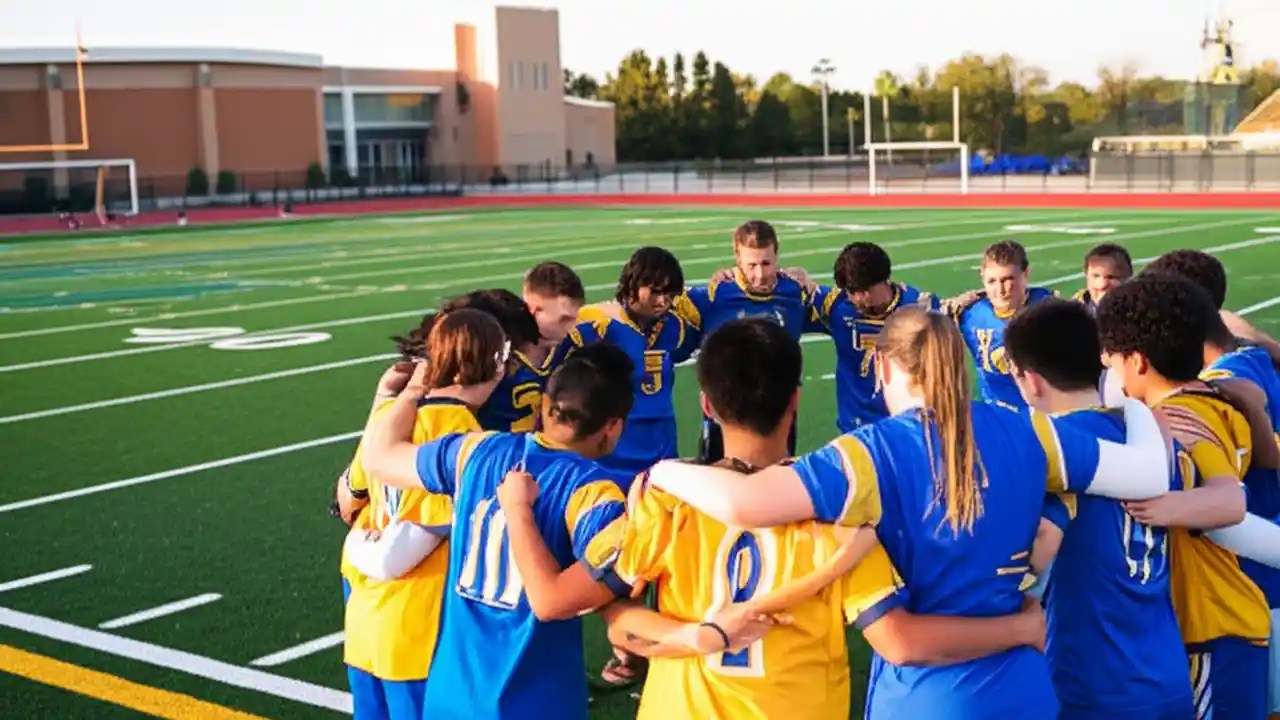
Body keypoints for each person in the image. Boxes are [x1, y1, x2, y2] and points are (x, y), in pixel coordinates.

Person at [639, 306, 1173, 720]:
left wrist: (661, 472)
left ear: (886, 366)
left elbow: (744, 504)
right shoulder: (1029, 430)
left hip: (925, 698)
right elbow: (1150, 474)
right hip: (1022, 691)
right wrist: (1136, 404)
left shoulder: (870, 452)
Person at [500, 318, 1049, 719]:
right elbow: (899, 639)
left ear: (708, 406)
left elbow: (614, 618)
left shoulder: (661, 501)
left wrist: (693, 636)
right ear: (794, 401)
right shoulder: (841, 519)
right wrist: (1024, 626)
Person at [359, 343, 637, 720]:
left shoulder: (478, 450)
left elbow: (380, 458)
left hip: (451, 693)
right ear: (613, 427)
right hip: (534, 700)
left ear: (544, 406)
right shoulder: (594, 495)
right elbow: (553, 601)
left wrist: (405, 394)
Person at [1003, 298, 1194, 719]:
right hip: (1164, 671)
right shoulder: (1149, 437)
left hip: (1092, 681)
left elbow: (1032, 556)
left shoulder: (1055, 451)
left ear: (1029, 380)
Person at [1096, 274, 1272, 720]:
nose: (1106, 365)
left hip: (1211, 627)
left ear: (1135, 361)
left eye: (1111, 358)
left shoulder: (1181, 421)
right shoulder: (1213, 399)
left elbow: (1230, 501)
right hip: (1226, 623)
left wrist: (1162, 509)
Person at [338, 308, 508, 720]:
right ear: (494, 364)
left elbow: (347, 501)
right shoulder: (463, 434)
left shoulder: (387, 416)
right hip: (418, 623)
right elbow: (424, 534)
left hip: (364, 615)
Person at [558, 246, 699, 486]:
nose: (663, 301)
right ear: (632, 284)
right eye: (655, 292)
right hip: (613, 447)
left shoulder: (674, 326)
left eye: (669, 293)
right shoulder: (596, 322)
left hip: (662, 444)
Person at [675, 220, 815, 461]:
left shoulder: (796, 292)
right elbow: (659, 303)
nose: (760, 275)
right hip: (724, 416)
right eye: (751, 265)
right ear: (737, 259)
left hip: (777, 416)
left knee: (775, 489)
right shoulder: (714, 294)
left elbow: (846, 306)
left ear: (777, 256)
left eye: (766, 263)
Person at [806, 242, 939, 432]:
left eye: (865, 290)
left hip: (906, 423)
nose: (859, 298)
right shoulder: (835, 305)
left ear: (885, 280)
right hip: (855, 426)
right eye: (852, 292)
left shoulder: (920, 307)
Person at [953, 240, 1056, 409]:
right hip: (996, 413)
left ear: (1026, 273)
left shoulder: (1049, 310)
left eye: (1008, 279)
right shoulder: (968, 312)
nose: (1000, 290)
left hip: (1044, 413)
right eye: (992, 281)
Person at [1070, 242, 1132, 314]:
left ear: (1129, 278)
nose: (1102, 285)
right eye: (1095, 276)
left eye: (1111, 277)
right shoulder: (1075, 310)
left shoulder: (1140, 310)